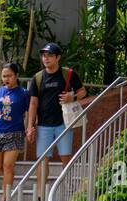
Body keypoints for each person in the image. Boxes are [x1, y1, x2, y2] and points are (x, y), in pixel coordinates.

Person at [26, 42, 86, 188]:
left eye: (50, 55)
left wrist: (72, 97)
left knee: (65, 157)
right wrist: (29, 126)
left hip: (64, 124)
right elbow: (33, 103)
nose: (46, 58)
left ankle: (69, 189)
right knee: (42, 160)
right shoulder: (38, 78)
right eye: (44, 55)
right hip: (43, 125)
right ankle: (40, 195)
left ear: (58, 57)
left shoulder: (68, 74)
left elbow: (83, 91)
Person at [0, 62, 31, 201]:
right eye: (4, 76)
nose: (6, 79)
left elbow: (30, 112)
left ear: (16, 76)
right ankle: (9, 176)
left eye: (9, 76)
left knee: (8, 166)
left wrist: (29, 128)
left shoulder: (23, 94)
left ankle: (6, 196)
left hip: (15, 133)